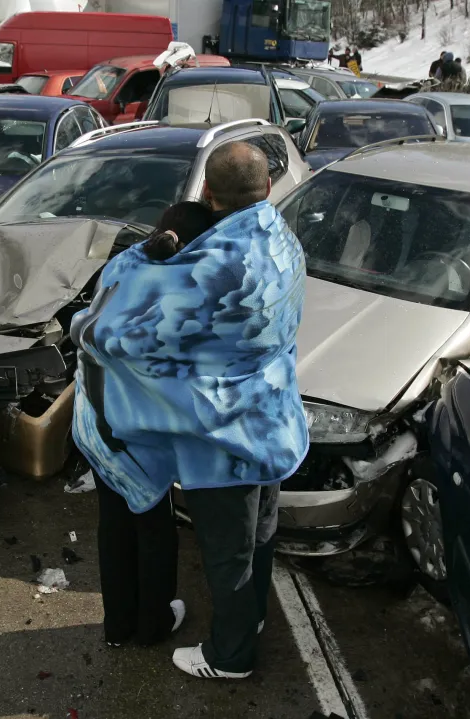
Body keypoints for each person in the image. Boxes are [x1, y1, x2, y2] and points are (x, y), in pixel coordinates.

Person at [70, 141, 307, 681]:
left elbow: (108, 332)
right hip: (272, 421)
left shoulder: (212, 269)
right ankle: (252, 621)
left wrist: (138, 260)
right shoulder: (281, 239)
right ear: (267, 188)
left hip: (227, 443)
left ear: (206, 191)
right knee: (261, 536)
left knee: (228, 555)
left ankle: (230, 657)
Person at [83, 201, 220, 652]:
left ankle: (118, 627)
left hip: (94, 422)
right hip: (136, 430)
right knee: (154, 528)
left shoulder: (123, 262)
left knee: (113, 524)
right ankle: (153, 625)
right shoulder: (181, 287)